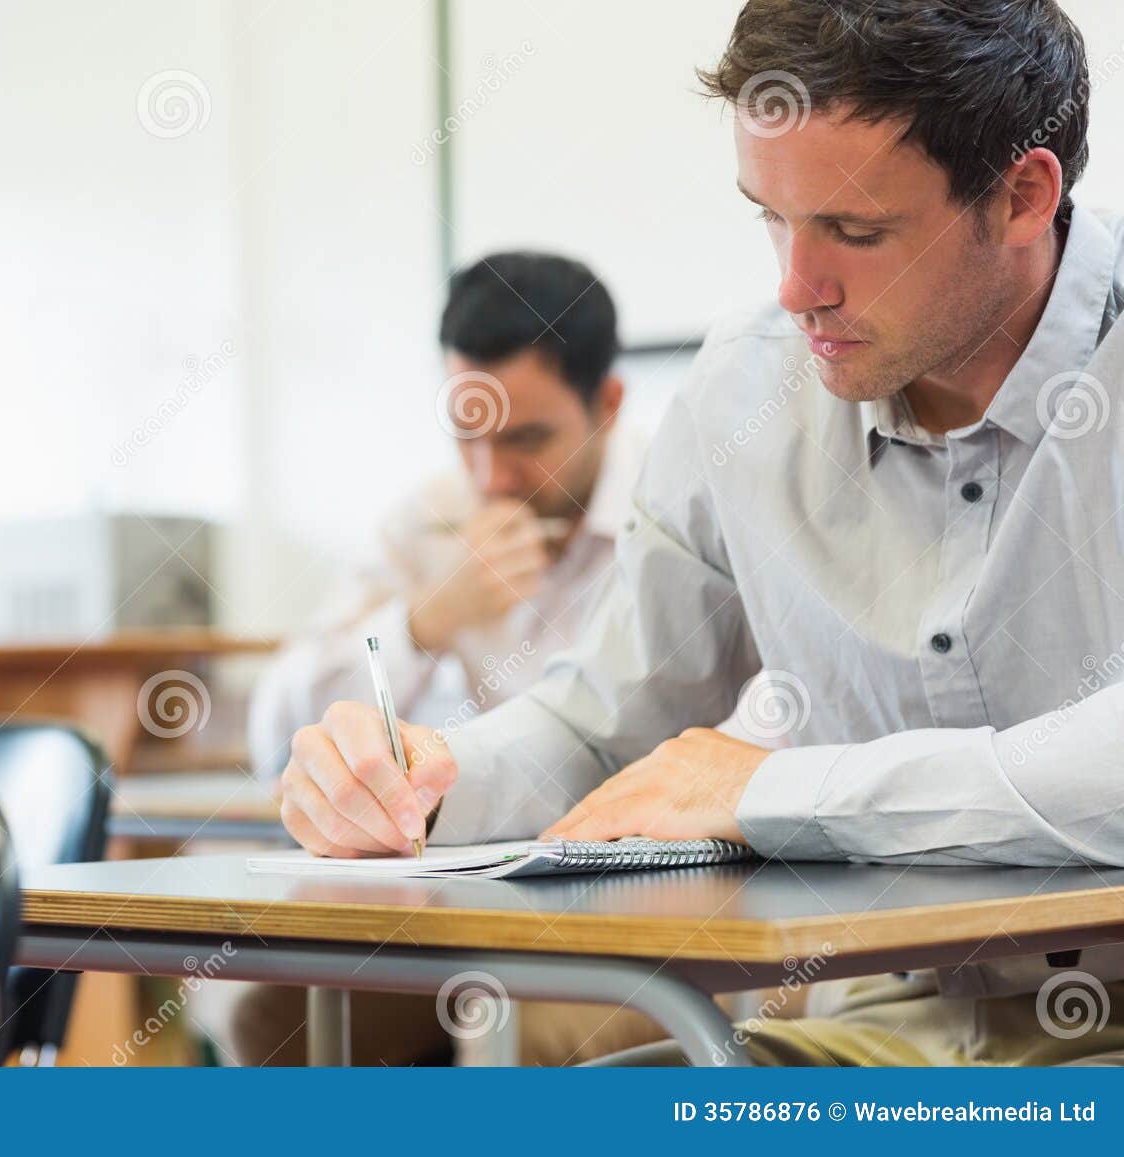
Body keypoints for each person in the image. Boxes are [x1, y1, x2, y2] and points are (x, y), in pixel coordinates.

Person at [279, 0, 1124, 1066]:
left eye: (854, 233)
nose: (794, 287)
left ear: (1021, 195)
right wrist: (433, 775)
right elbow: (604, 727)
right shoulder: (745, 392)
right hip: (908, 1028)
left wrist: (765, 791)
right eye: (769, 217)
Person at [233, 252, 762, 1065]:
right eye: (468, 435)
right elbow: (278, 726)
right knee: (274, 1020)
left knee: (529, 1030)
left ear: (609, 404)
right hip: (455, 894)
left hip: (644, 897)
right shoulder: (435, 519)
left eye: (527, 438)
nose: (493, 475)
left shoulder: (686, 501)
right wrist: (426, 620)